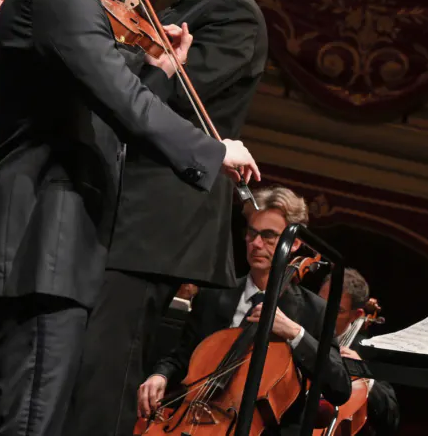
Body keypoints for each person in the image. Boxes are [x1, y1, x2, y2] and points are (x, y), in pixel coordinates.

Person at [0, 0, 260, 436]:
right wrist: (215, 150)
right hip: (45, 238)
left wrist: (159, 69)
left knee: (48, 411)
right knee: (34, 419)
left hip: (88, 235)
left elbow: (117, 85)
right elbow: (122, 95)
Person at [61, 0, 269, 435]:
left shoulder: (233, 15)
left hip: (158, 222)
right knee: (89, 369)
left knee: (107, 376)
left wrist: (122, 66)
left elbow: (160, 100)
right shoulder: (179, 9)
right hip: (130, 217)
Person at [137, 186, 351, 435]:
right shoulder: (214, 295)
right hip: (190, 417)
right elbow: (182, 356)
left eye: (269, 236)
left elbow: (340, 386)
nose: (256, 244)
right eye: (252, 233)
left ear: (295, 245)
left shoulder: (314, 311)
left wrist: (294, 333)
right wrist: (160, 376)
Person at [317, 269, 400, 436]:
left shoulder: (369, 353)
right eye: (321, 302)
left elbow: (392, 417)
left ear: (357, 315)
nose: (325, 314)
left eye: (337, 310)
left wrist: (365, 376)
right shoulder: (300, 329)